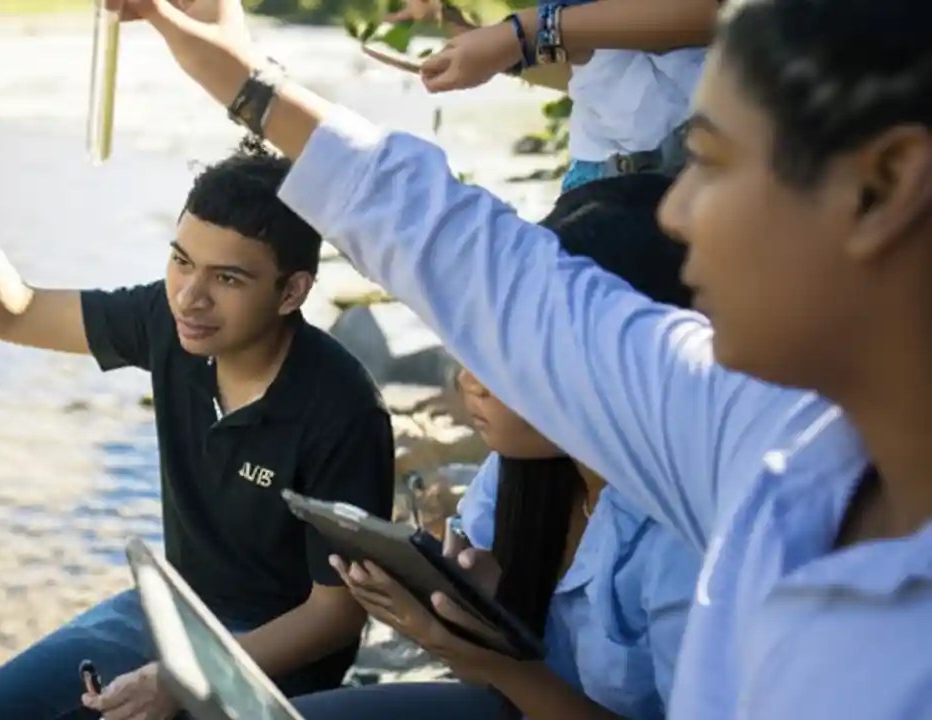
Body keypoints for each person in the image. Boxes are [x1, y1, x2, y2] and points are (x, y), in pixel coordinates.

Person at [117, 0, 932, 715]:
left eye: (711, 162)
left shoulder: (743, 448)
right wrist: (243, 77)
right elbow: (480, 262)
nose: (676, 211)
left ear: (884, 184)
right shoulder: (756, 438)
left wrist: (494, 664)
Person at [0, 112, 396, 720]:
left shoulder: (341, 408)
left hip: (277, 656)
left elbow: (336, 613)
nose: (191, 295)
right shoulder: (169, 324)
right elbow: (11, 313)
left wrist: (187, 680)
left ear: (292, 292)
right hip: (171, 613)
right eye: (182, 261)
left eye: (228, 278)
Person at [293, 174, 701, 720]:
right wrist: (455, 625)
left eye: (518, 346)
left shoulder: (685, 533)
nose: (471, 378)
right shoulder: (522, 475)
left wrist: (495, 663)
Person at [396, 0, 718, 190]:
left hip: (687, 167)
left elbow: (720, 12)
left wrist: (523, 34)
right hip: (593, 171)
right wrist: (496, 48)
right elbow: (590, 63)